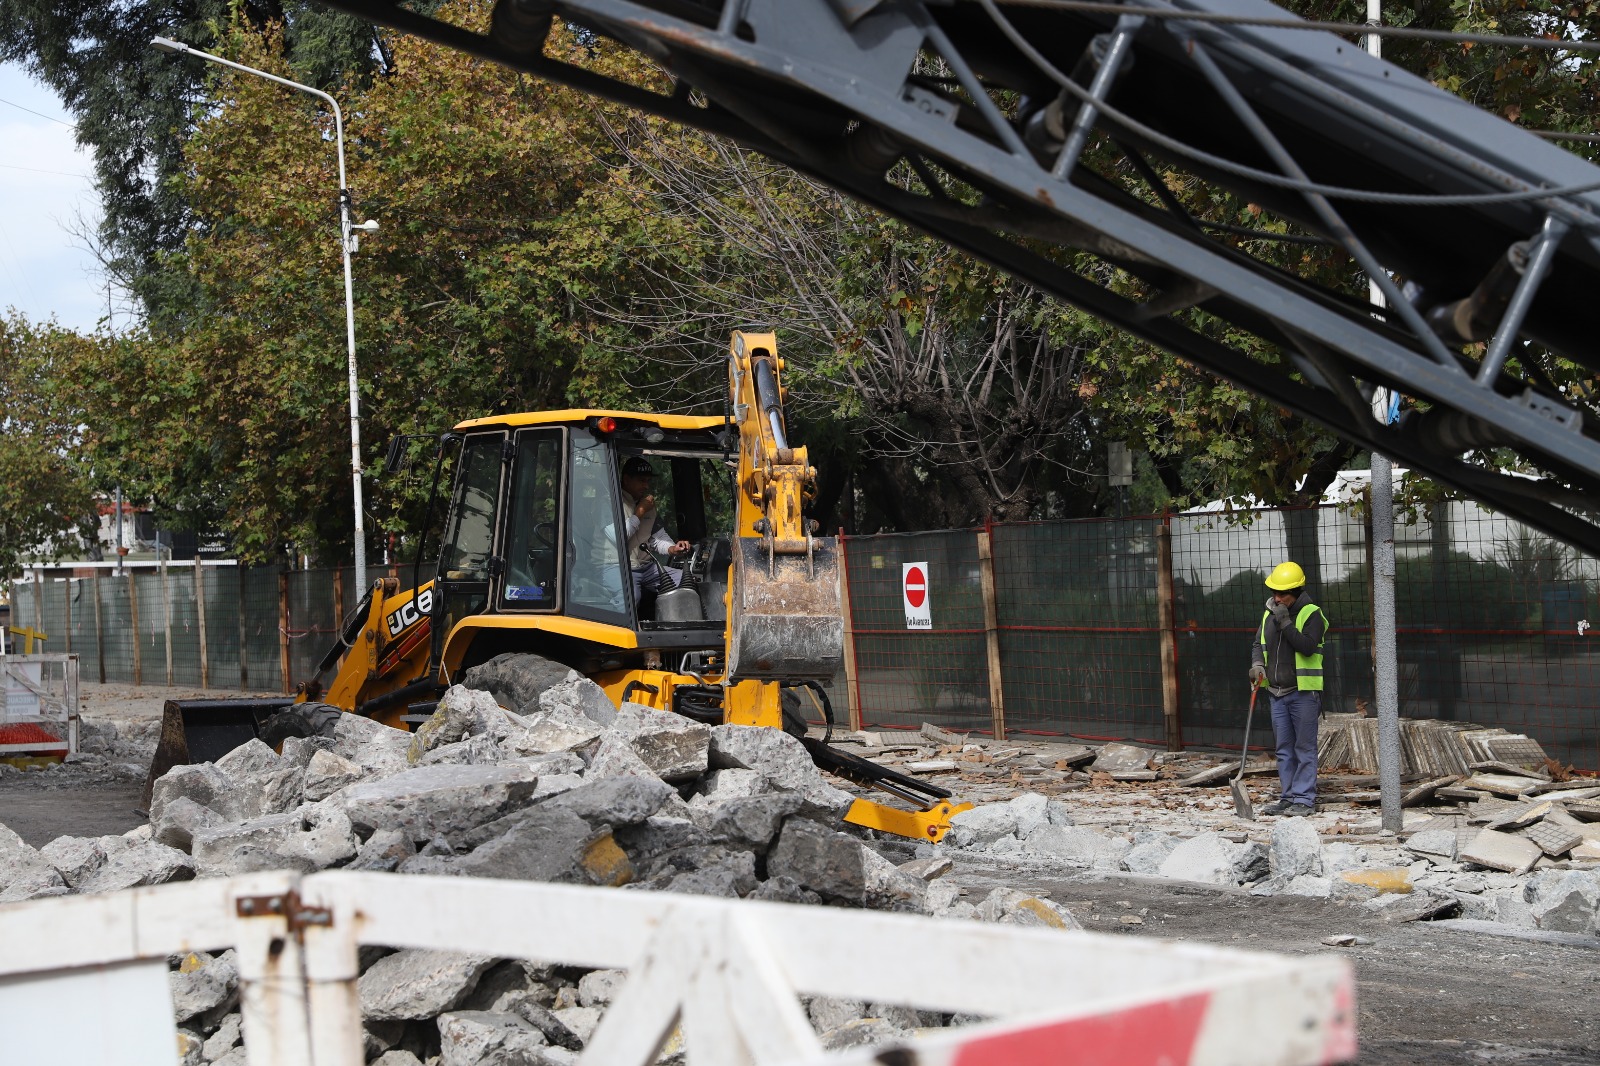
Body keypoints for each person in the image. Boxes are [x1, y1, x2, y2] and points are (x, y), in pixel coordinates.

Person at [1248, 560, 1330, 817]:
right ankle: (1288, 797)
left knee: (1304, 748)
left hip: (1303, 693)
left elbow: (1306, 646)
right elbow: (1257, 643)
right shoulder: (1268, 614)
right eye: (1274, 592)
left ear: (1296, 591)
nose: (1277, 597)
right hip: (1276, 693)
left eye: (1282, 593)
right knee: (1283, 748)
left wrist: (1285, 622)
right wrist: (1257, 664)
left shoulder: (1312, 614)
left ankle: (1304, 800)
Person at [619, 456, 691, 601]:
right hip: (617, 567)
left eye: (648, 481)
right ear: (626, 480)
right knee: (631, 598)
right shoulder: (611, 501)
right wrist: (639, 512)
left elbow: (657, 538)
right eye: (641, 480)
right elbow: (619, 538)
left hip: (646, 567)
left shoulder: (648, 506)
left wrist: (672, 548)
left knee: (686, 583)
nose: (646, 486)